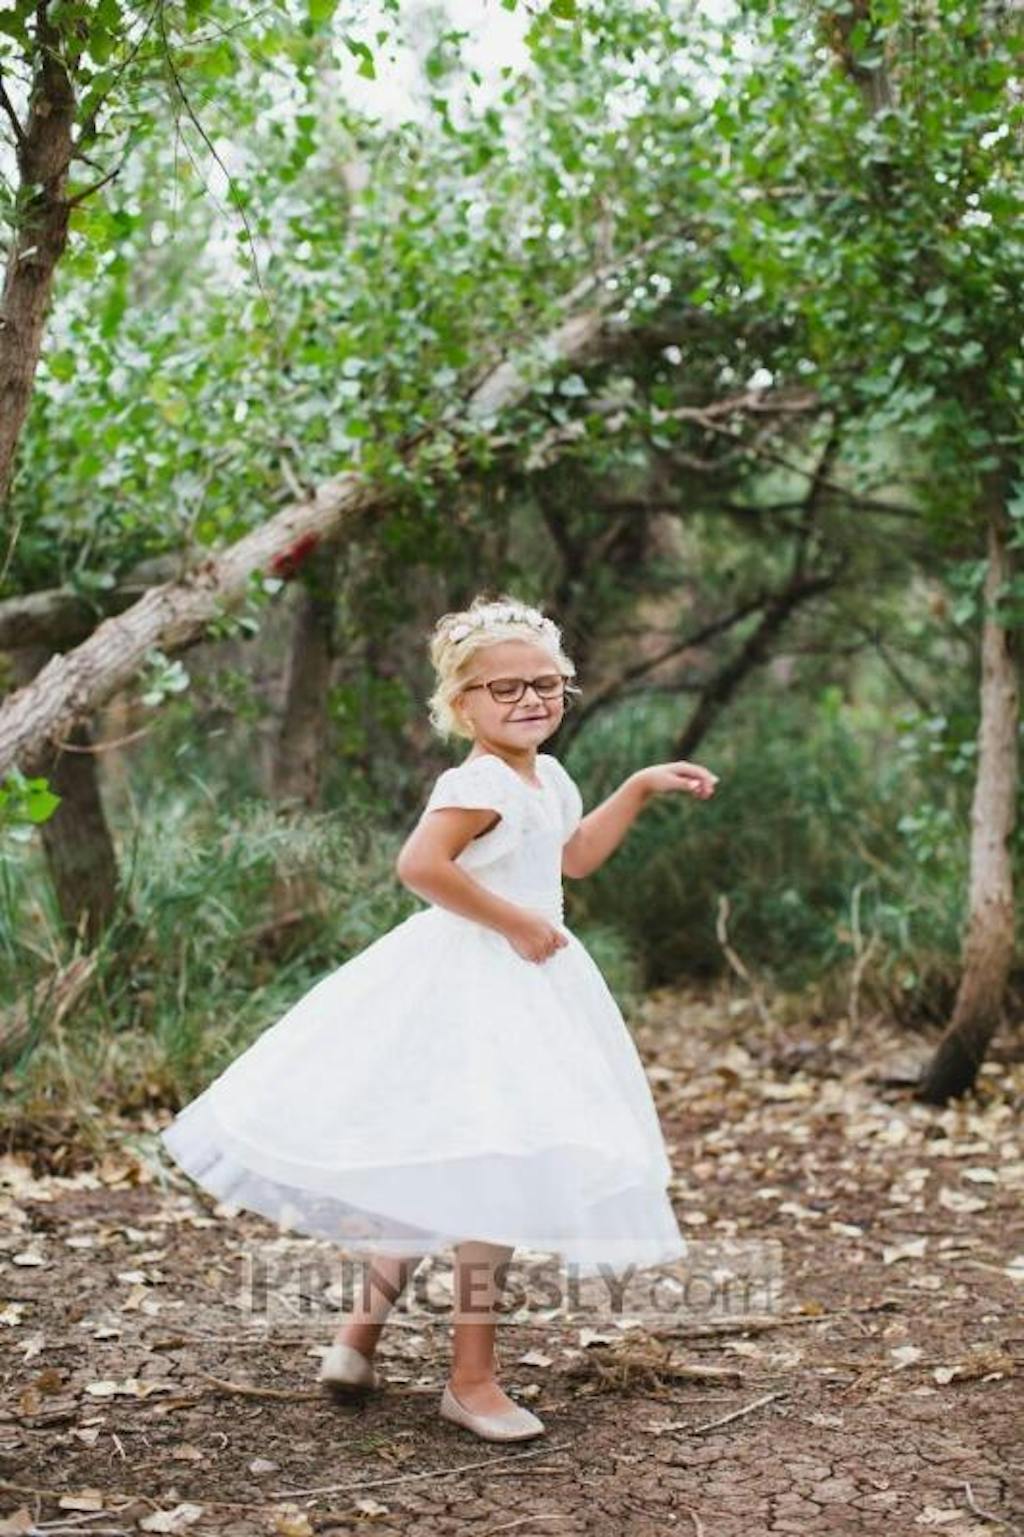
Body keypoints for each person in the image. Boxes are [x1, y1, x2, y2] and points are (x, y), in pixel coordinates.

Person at [159, 592, 719, 1442]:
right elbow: (420, 865)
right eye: (506, 689)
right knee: (488, 1172)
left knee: (446, 1168)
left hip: (530, 984)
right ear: (462, 704)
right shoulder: (480, 779)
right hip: (477, 981)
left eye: (547, 684)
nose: (531, 699)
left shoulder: (546, 775)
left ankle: (356, 1339)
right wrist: (517, 921)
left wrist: (639, 787)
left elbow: (570, 857)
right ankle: (471, 1380)